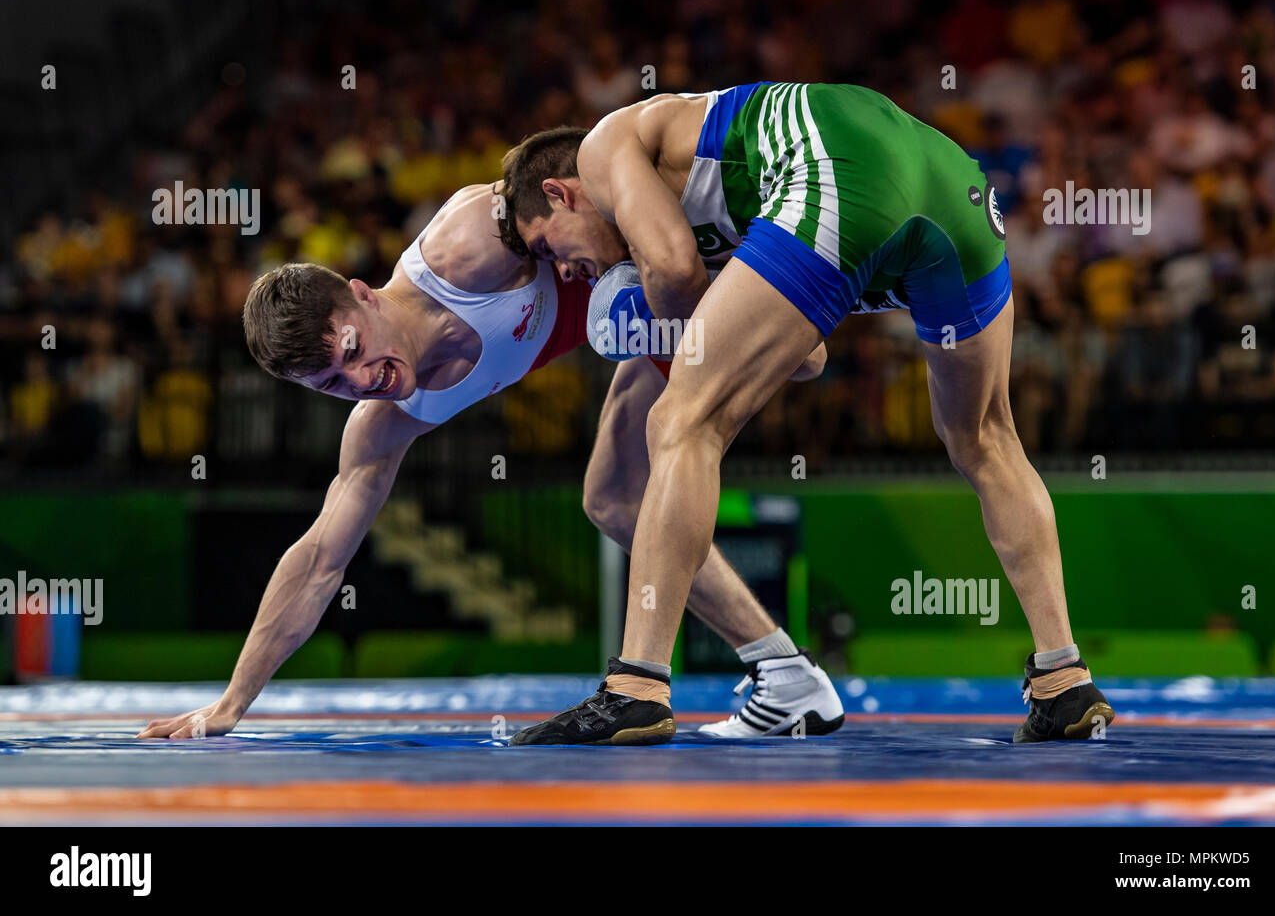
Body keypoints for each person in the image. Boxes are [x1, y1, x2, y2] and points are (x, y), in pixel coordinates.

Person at [501, 82, 1114, 745]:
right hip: (949, 187)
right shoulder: (735, 214)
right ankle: (1062, 678)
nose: (563, 272)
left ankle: (636, 688)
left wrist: (656, 320)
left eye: (546, 247)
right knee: (987, 439)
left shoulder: (603, 147)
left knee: (681, 422)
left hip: (841, 161)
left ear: (562, 193)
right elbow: (811, 356)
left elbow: (675, 269)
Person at [137, 181, 843, 741]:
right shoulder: (382, 426)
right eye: (330, 385)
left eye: (350, 352)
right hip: (636, 315)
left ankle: (793, 290)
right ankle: (786, 676)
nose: (360, 382)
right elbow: (320, 561)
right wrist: (233, 701)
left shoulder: (467, 242)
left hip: (673, 250)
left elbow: (583, 175)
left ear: (361, 293)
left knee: (718, 381)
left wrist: (706, 272)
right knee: (615, 498)